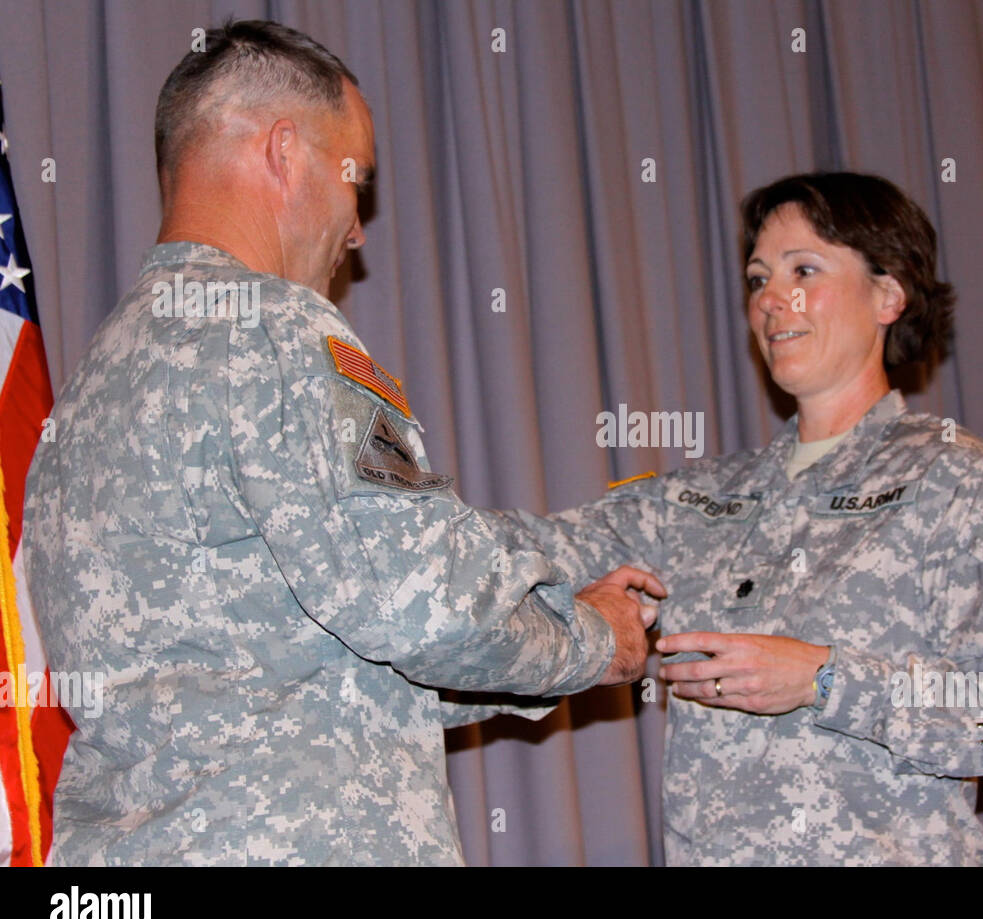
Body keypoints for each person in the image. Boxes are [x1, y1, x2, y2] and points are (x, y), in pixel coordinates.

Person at [23, 19, 663, 866]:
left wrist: (556, 622)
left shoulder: (85, 391)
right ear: (284, 151)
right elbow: (424, 602)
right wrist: (592, 639)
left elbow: (326, 663)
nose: (358, 228)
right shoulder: (280, 330)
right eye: (354, 176)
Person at [496, 172, 983, 864]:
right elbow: (524, 550)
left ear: (889, 295)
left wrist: (824, 680)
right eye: (757, 278)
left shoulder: (954, 479)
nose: (772, 298)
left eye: (804, 269)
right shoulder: (701, 498)